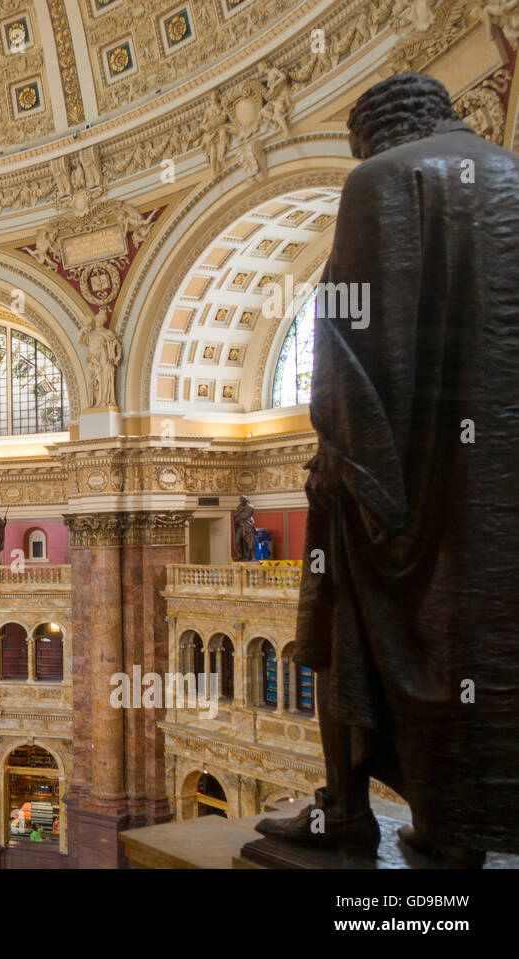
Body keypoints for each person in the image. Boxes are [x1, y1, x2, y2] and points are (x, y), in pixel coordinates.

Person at [255, 72, 519, 864]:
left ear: (372, 134)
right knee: (481, 645)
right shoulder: (507, 175)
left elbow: (351, 335)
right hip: (496, 482)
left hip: (392, 468)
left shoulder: (381, 179)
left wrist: (341, 459)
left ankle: (345, 808)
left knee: (336, 634)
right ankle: (457, 826)